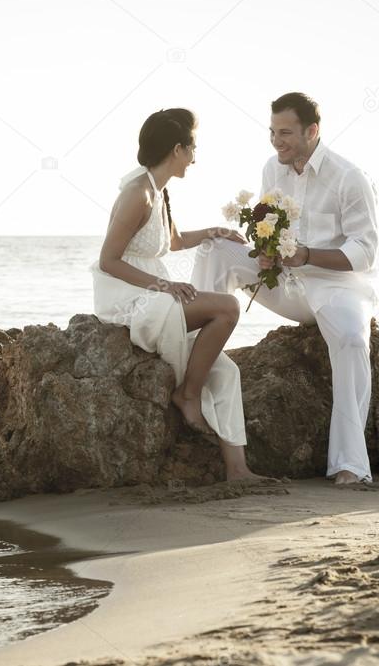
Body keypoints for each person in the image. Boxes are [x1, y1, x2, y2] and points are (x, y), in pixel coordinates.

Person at [192, 93, 379, 485]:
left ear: (313, 131)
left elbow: (364, 252)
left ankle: (350, 463)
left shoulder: (349, 177)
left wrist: (308, 254)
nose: (277, 141)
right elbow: (268, 233)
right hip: (286, 284)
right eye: (273, 132)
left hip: (337, 286)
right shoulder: (271, 171)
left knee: (350, 340)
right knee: (216, 248)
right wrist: (265, 255)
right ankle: (193, 364)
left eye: (287, 133)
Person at [91, 108, 268, 482]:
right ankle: (187, 395)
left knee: (225, 369)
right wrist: (163, 286)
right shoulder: (136, 193)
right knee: (228, 308)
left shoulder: (159, 191)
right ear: (177, 149)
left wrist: (213, 232)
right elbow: (108, 261)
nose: (195, 157)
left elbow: (171, 241)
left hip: (154, 295)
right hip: (129, 300)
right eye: (192, 148)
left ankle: (238, 469)